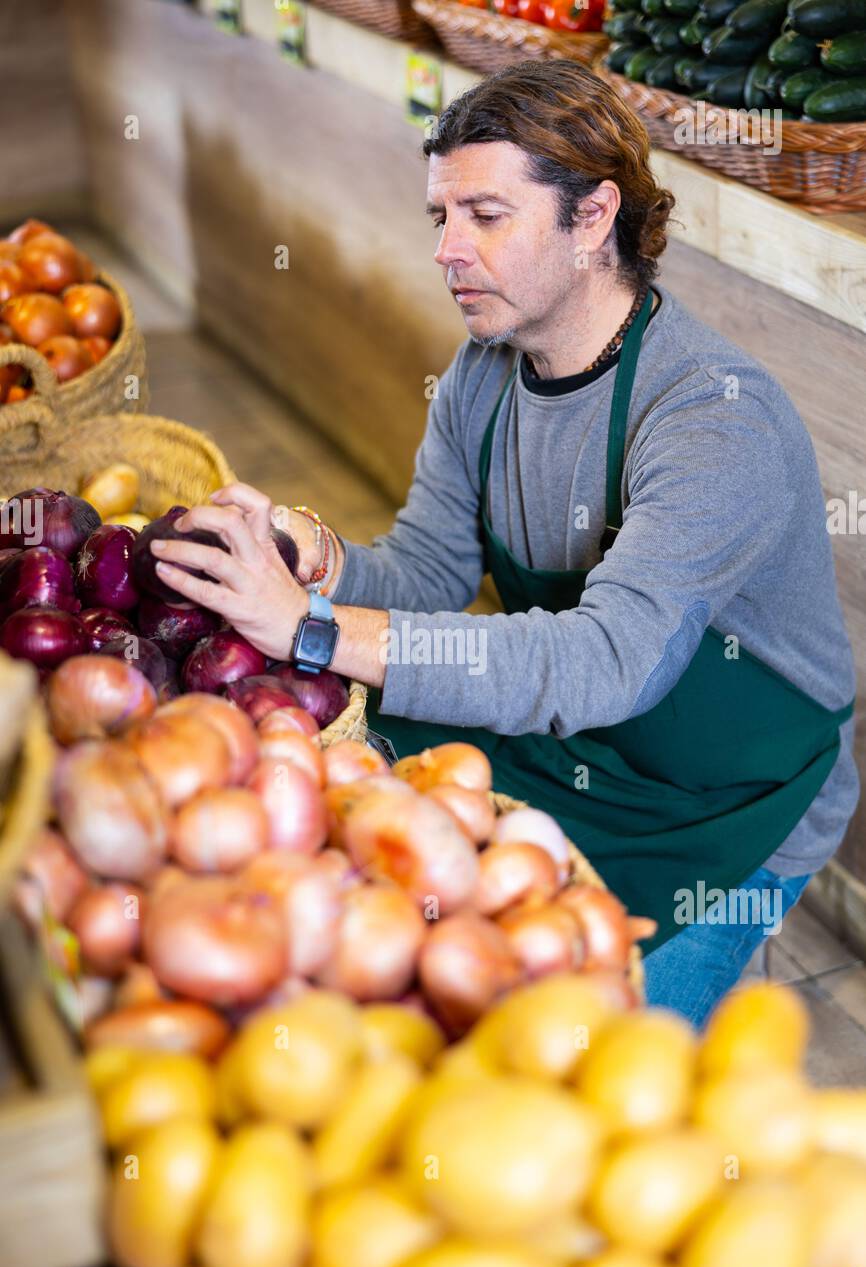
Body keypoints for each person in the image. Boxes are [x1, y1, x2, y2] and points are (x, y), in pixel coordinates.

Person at [149, 60, 858, 1028]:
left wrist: (312, 632)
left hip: (728, 798)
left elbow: (603, 662)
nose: (446, 249)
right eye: (439, 217)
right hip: (572, 736)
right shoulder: (483, 374)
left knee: (583, 1049)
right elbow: (430, 573)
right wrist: (315, 556)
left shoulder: (710, 421)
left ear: (592, 218)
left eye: (484, 215)